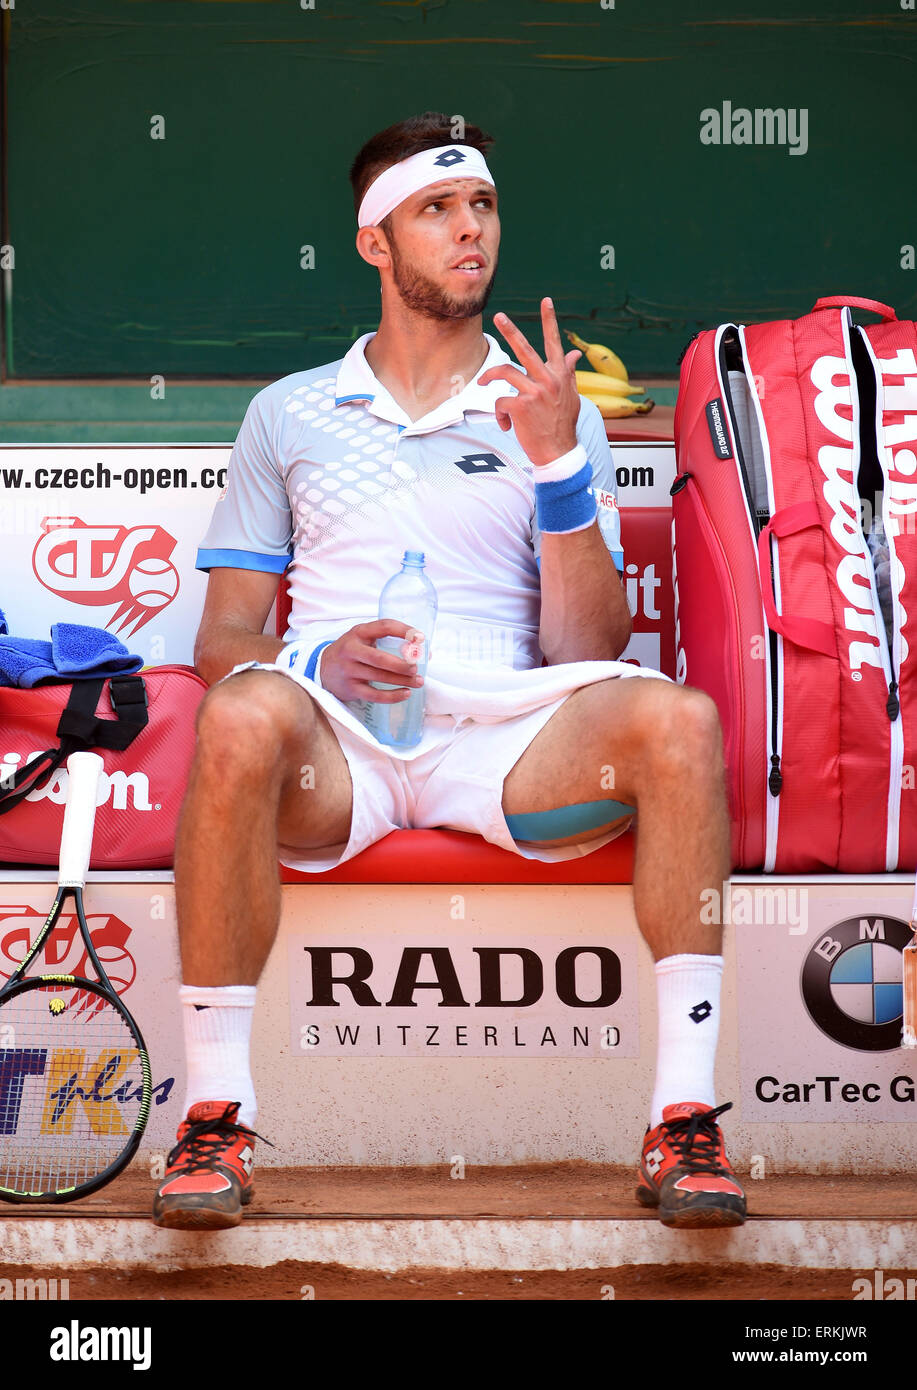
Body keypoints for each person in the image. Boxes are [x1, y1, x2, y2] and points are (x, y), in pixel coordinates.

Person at [152, 111, 746, 1233]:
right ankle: (213, 1119)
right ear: (375, 242)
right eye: (436, 210)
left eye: (480, 206)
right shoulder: (288, 411)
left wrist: (560, 461)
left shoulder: (545, 406)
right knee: (240, 713)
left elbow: (583, 653)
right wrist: (313, 657)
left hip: (505, 742)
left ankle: (681, 1121)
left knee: (679, 722)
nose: (469, 230)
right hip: (338, 741)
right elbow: (223, 645)